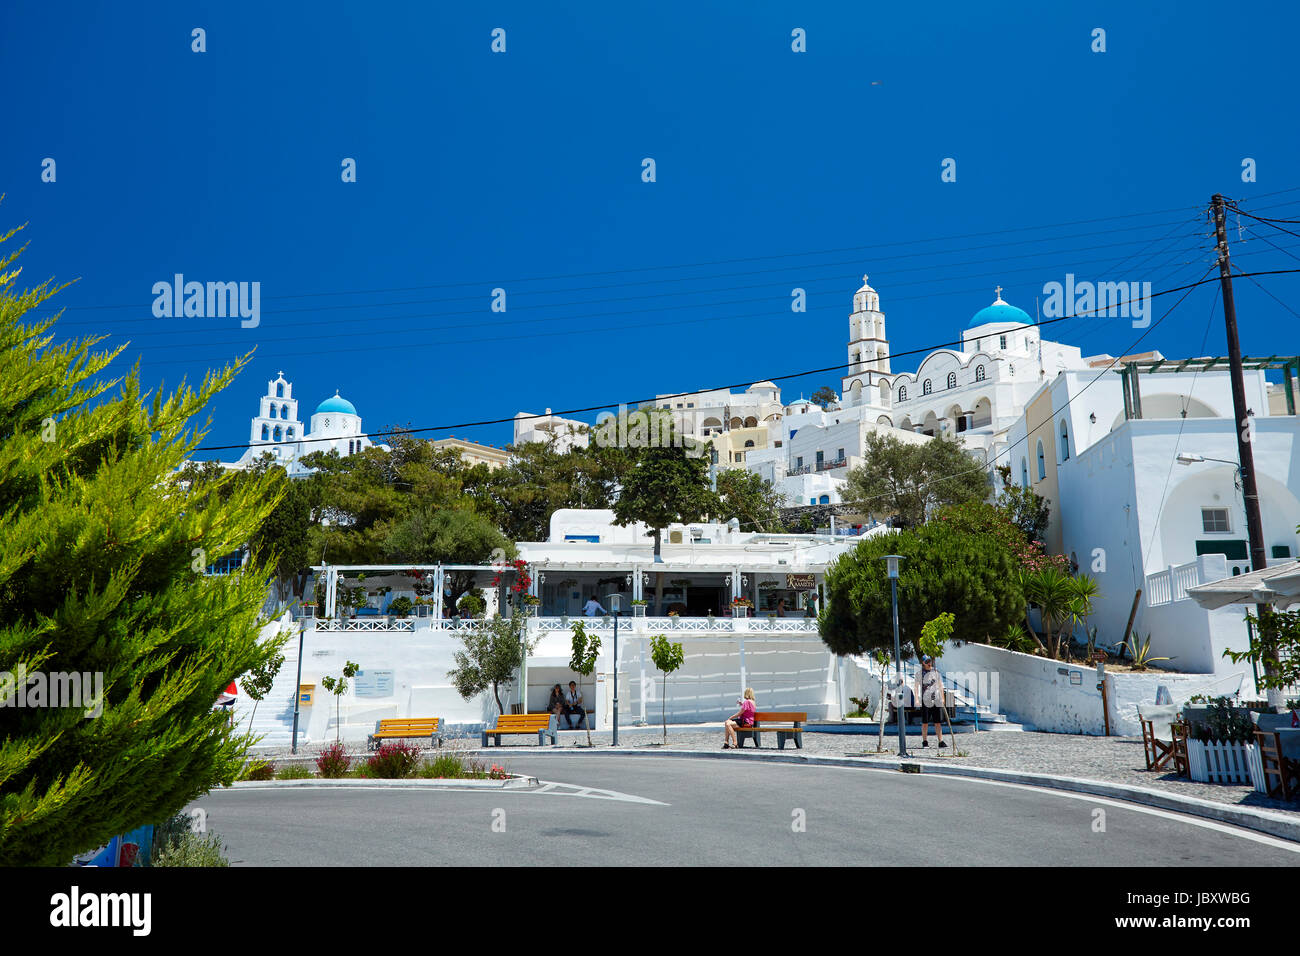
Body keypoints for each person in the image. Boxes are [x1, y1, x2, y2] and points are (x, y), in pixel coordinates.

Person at [915, 656, 946, 748]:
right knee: (925, 722)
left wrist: (943, 698)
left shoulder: (936, 672)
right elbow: (916, 687)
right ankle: (925, 741)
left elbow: (940, 685)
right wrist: (916, 699)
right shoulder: (919, 674)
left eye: (930, 661)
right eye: (927, 661)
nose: (929, 663)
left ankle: (941, 741)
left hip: (936, 699)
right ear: (923, 663)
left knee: (938, 722)